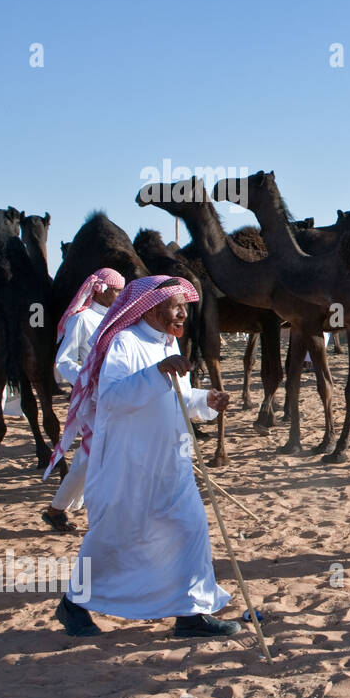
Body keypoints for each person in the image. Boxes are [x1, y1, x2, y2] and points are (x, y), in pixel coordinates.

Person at [49, 276, 239, 639]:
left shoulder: (167, 343)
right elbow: (113, 399)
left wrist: (205, 400)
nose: (183, 313)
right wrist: (157, 372)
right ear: (151, 308)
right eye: (175, 306)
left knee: (190, 528)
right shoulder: (125, 341)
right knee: (113, 538)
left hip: (171, 462)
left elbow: (177, 397)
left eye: (185, 306)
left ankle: (190, 612)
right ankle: (73, 604)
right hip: (129, 466)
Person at [41, 268, 125, 531]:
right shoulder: (82, 320)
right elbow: (63, 360)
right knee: (89, 456)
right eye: (116, 290)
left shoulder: (120, 319)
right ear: (101, 290)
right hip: (93, 400)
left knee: (103, 456)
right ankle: (58, 510)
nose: (120, 295)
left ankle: (58, 509)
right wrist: (86, 378)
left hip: (119, 397)